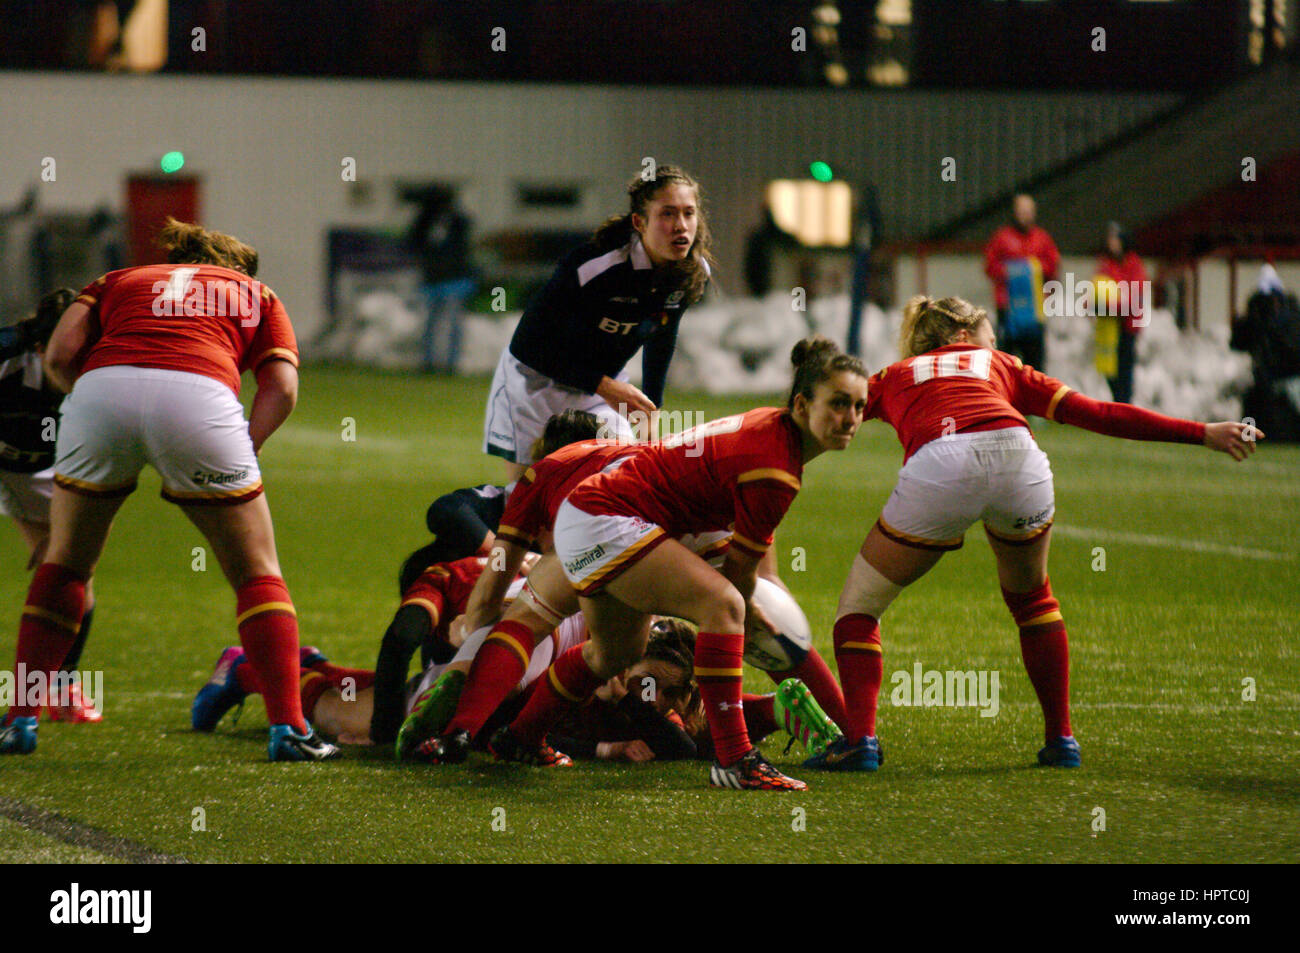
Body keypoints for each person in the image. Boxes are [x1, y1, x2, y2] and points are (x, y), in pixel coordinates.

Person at [814, 295, 1264, 773]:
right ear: (963, 337)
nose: (997, 340)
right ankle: (1061, 740)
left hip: (940, 465)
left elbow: (831, 416)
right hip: (1018, 456)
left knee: (859, 610)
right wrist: (1201, 432)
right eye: (991, 332)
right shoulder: (1003, 364)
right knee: (1033, 601)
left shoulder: (896, 375)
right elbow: (1098, 413)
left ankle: (860, 741)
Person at [0, 218, 338, 761]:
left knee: (65, 564)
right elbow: (281, 386)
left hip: (101, 391)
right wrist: (244, 449)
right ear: (233, 267)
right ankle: (290, 731)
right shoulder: (256, 292)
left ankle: (19, 720)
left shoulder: (117, 279)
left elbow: (61, 354)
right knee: (256, 572)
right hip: (199, 398)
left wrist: (89, 399)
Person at [490, 337, 870, 791]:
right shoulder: (775, 466)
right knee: (725, 605)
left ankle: (519, 738)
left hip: (594, 515)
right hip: (608, 517)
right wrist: (746, 616)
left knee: (613, 653)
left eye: (860, 407)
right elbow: (741, 579)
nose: (850, 419)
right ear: (803, 404)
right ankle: (736, 761)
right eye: (839, 404)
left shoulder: (772, 433)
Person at [483, 165, 714, 481]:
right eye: (667, 214)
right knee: (527, 498)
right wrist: (606, 386)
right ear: (639, 222)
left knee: (618, 486)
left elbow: (663, 335)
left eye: (689, 213)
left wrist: (652, 409)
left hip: (601, 391)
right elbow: (526, 346)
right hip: (535, 383)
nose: (680, 226)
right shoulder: (594, 267)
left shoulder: (690, 271)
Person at [0, 288, 101, 722]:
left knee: (74, 574)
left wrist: (59, 535)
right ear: (39, 348)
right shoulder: (6, 358)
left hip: (42, 472)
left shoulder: (104, 371)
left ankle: (61, 687)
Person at [984, 194, 1059, 371]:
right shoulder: (1002, 238)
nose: (1025, 215)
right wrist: (1013, 272)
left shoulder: (1042, 238)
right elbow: (990, 266)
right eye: (1022, 211)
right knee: (1006, 363)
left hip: (1034, 312)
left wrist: (1033, 269)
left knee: (1035, 365)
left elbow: (1053, 265)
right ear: (1015, 212)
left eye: (1029, 211)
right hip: (1008, 310)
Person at [1094, 222, 1148, 404]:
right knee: (1110, 371)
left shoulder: (1134, 264)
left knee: (1125, 371)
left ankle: (1125, 407)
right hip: (1108, 328)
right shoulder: (1105, 264)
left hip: (1127, 327)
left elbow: (1134, 297)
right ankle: (1117, 405)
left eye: (1115, 239)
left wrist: (1111, 306)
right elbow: (1095, 292)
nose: (1112, 243)